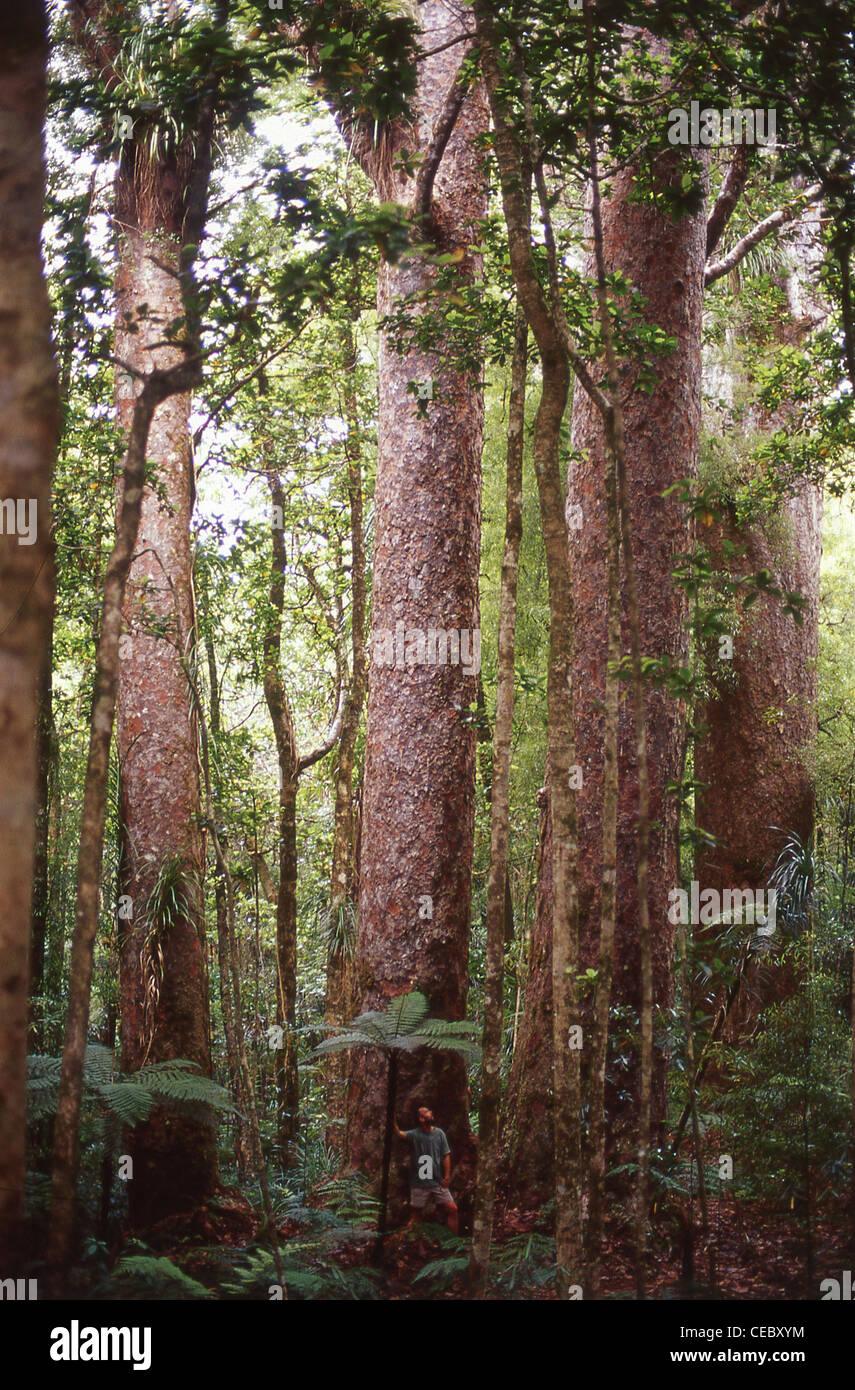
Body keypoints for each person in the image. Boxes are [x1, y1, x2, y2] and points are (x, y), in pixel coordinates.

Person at [394, 1105, 459, 1235]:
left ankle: (454, 1245)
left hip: (437, 1181)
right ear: (421, 1119)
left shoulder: (439, 1134)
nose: (430, 1112)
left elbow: (446, 1155)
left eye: (429, 1110)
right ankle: (417, 1247)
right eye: (427, 1112)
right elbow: (399, 1133)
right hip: (419, 1183)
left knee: (453, 1209)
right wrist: (392, 1119)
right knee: (416, 1217)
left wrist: (447, 1176)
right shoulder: (414, 1135)